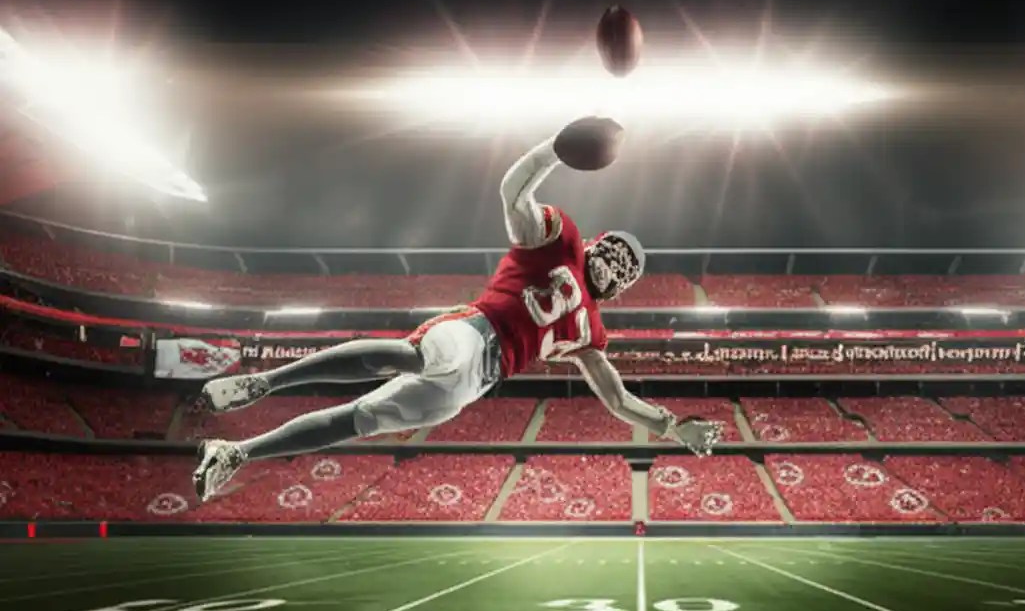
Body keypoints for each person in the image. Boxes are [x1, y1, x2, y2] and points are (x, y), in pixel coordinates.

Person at [193, 119, 725, 501]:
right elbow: (511, 193)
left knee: (361, 420)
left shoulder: (591, 332)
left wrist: (674, 426)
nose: (616, 266)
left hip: (478, 382)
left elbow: (618, 400)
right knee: (419, 355)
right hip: (476, 330)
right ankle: (264, 382)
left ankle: (236, 451)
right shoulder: (559, 241)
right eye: (615, 254)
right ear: (597, 244)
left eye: (626, 268)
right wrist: (552, 151)